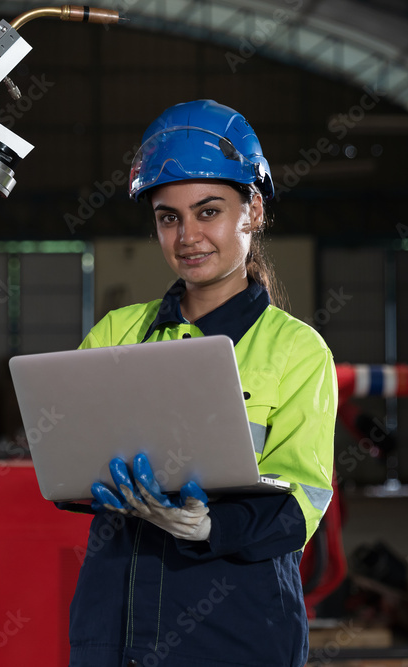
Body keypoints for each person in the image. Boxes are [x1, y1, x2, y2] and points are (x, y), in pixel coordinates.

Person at [64, 100, 337, 667]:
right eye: (170, 217)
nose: (188, 235)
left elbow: (303, 502)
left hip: (234, 626)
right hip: (115, 620)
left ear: (253, 210)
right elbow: (70, 461)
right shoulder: (118, 332)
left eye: (208, 211)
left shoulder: (296, 351)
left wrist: (209, 523)